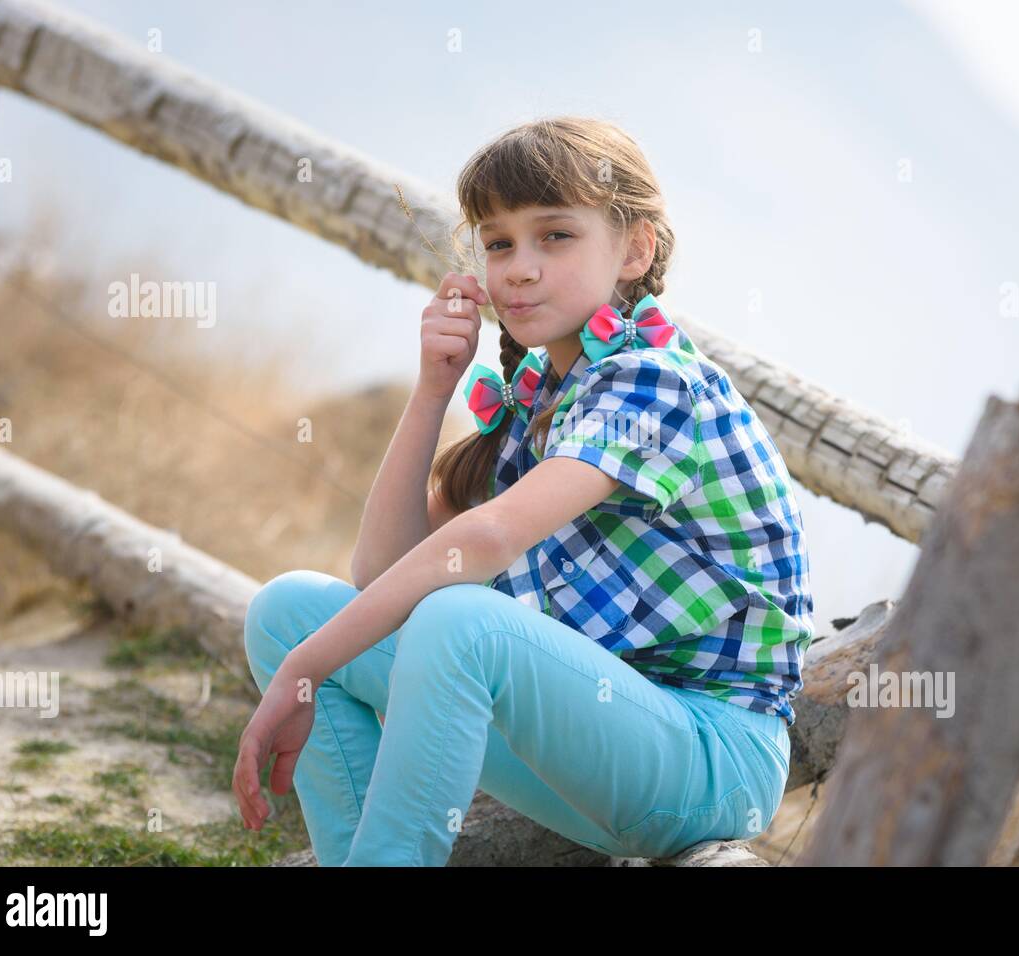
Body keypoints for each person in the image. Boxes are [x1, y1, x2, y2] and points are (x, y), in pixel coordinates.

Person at [234, 116, 814, 866]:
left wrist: (305, 670)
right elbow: (380, 575)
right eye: (499, 242)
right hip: (588, 748)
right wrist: (430, 392)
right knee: (288, 610)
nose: (520, 267)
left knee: (459, 620)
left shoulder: (655, 381)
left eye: (555, 236)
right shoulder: (541, 394)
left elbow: (484, 541)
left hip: (708, 763)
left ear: (635, 248)